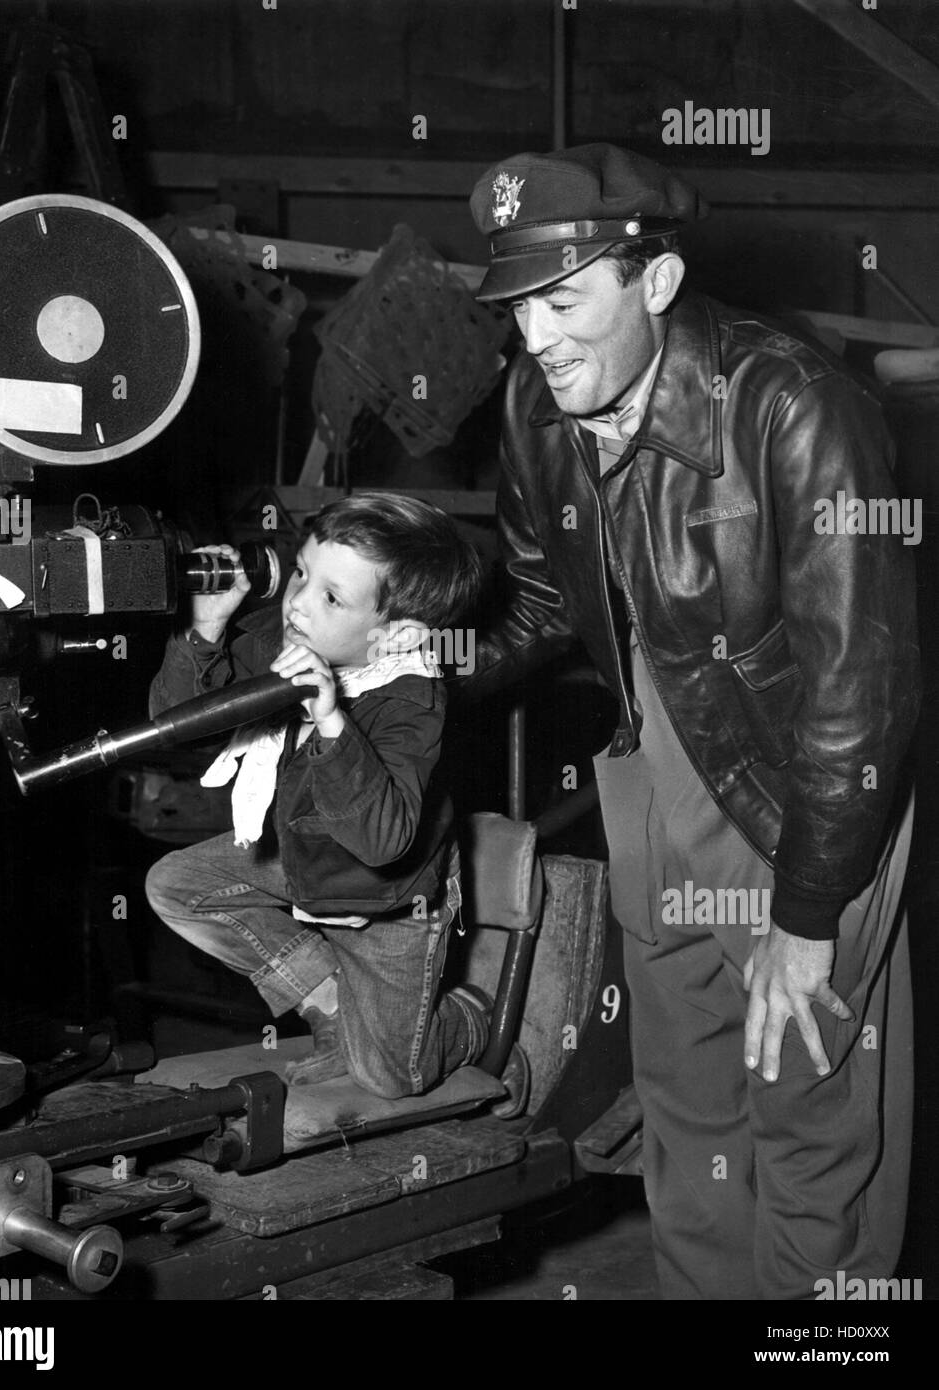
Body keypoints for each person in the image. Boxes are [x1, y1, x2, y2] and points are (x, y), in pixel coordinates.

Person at [458, 142, 921, 1299]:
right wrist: (405, 668)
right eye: (519, 309)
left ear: (653, 282)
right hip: (650, 792)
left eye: (564, 302)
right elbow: (540, 604)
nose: (537, 339)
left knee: (813, 1134)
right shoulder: (537, 404)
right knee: (689, 1125)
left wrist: (809, 912)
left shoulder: (797, 408)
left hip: (800, 803)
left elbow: (859, 690)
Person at [145, 492, 489, 1098]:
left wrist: (332, 722)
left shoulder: (411, 698)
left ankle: (469, 1014)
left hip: (389, 900)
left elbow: (384, 841)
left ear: (397, 634)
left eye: (331, 596)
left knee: (392, 1078)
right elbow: (174, 726)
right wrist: (206, 629)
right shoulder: (294, 642)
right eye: (301, 572)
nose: (297, 603)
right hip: (306, 857)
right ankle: (330, 1004)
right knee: (177, 885)